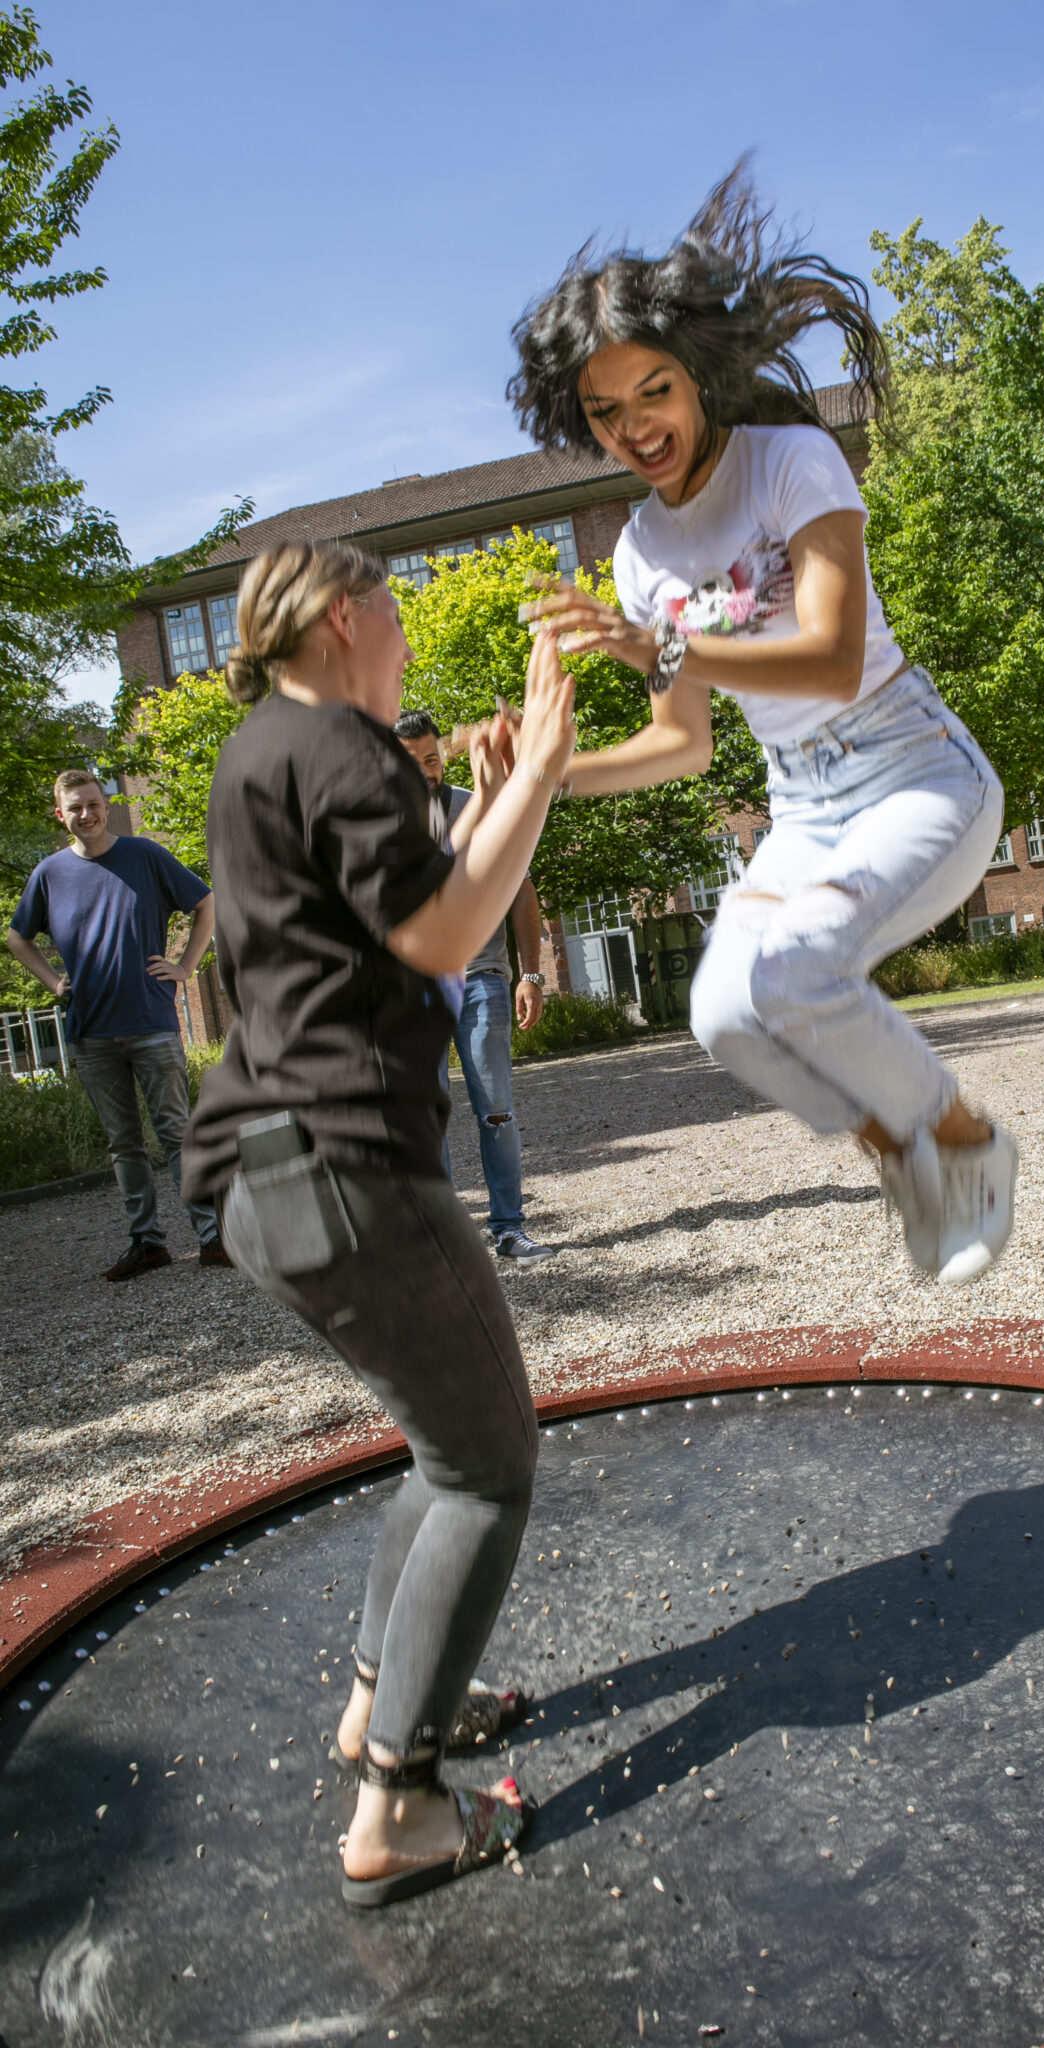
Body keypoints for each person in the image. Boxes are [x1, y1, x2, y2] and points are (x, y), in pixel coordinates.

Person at [506, 167, 1019, 1285]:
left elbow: (833, 656)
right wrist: (543, 774)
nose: (636, 428)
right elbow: (681, 742)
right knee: (724, 1012)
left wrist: (669, 647)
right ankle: (895, 1144)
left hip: (915, 769)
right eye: (605, 412)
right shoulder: (640, 551)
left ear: (694, 373)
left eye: (653, 393)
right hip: (802, 803)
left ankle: (967, 1139)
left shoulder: (792, 460)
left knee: (788, 969)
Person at [182, 540, 577, 1908]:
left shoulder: (263, 754)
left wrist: (477, 806)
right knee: (487, 1463)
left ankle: (378, 1705)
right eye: (395, 614)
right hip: (346, 1167)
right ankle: (396, 1804)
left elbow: (408, 910)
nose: (406, 638)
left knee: (439, 1443)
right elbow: (445, 941)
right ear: (347, 618)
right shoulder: (342, 745)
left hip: (264, 1175)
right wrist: (541, 760)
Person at [6, 769, 228, 1278]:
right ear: (60, 815)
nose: (87, 814)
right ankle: (147, 1243)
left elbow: (206, 903)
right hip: (91, 1030)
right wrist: (53, 983)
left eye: (93, 803)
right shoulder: (50, 874)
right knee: (123, 1143)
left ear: (106, 805)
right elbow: (18, 939)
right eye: (75, 808)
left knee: (176, 1131)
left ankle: (213, 1237)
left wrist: (186, 966)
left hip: (151, 1020)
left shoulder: (146, 856)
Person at [393, 709, 554, 1263]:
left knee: (497, 1109)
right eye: (411, 764)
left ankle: (509, 1227)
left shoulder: (473, 803)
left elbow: (520, 889)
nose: (425, 772)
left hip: (483, 977)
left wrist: (530, 974)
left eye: (433, 759)